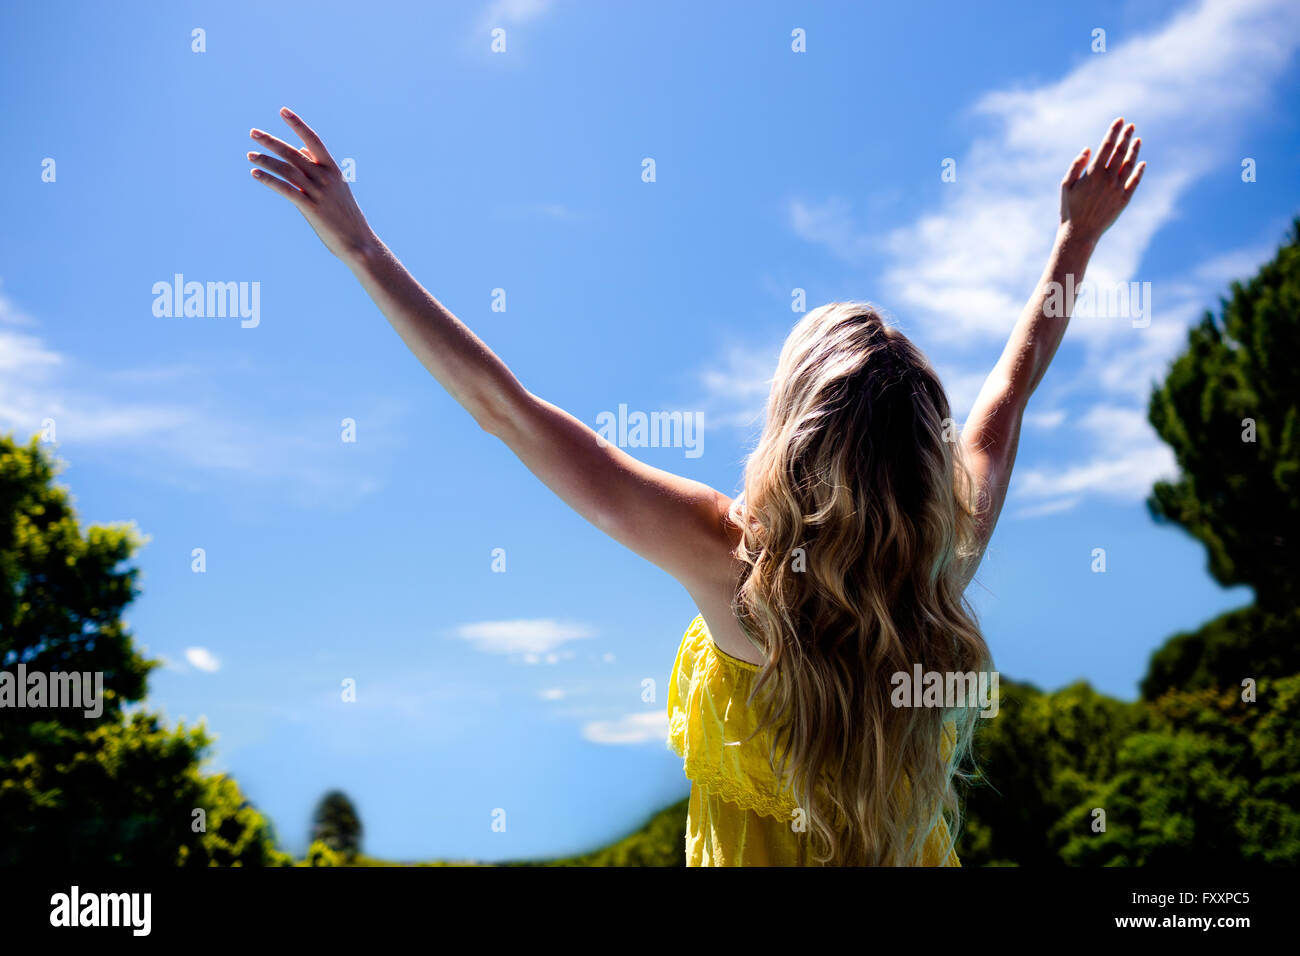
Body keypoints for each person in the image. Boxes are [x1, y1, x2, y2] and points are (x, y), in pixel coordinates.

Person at [248, 110, 1145, 865]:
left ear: (794, 434)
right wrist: (1077, 239)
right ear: (918, 460)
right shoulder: (942, 559)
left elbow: (506, 412)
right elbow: (1009, 393)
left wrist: (362, 247)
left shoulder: (733, 564)